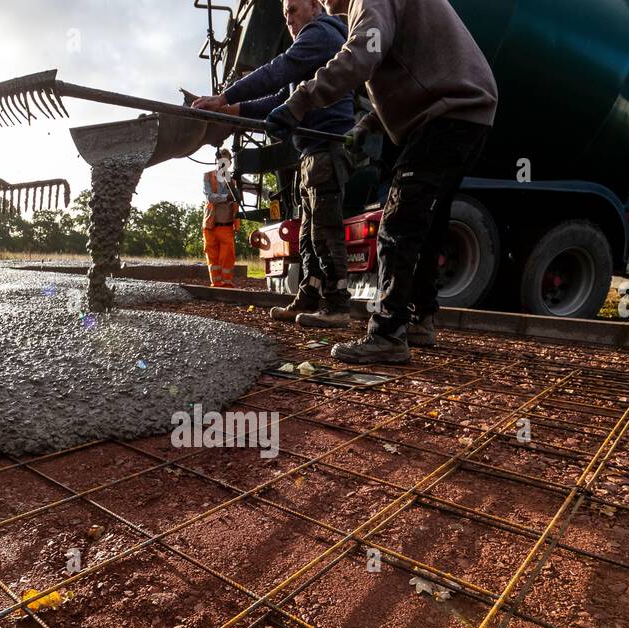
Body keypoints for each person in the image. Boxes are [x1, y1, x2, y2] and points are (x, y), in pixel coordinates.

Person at [267, 0, 498, 364]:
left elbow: (362, 54)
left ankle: (388, 334)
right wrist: (366, 125)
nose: (325, 3)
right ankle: (422, 318)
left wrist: (299, 103)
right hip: (468, 112)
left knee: (398, 223)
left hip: (446, 114)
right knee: (430, 222)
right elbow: (410, 72)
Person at [194, 0, 356, 328]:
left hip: (326, 146)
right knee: (309, 235)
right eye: (285, 15)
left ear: (314, 6)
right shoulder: (311, 48)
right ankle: (309, 297)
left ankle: (338, 304)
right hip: (311, 151)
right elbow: (278, 97)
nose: (290, 20)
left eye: (294, 10)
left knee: (326, 230)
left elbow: (276, 70)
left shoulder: (320, 34)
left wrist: (224, 96)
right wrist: (231, 110)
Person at [202, 148, 239, 288]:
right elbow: (210, 197)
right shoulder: (208, 176)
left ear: (230, 163)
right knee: (213, 258)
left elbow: (251, 188)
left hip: (227, 226)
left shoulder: (233, 181)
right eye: (221, 160)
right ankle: (216, 284)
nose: (223, 164)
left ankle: (227, 284)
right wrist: (227, 197)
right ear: (216, 161)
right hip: (211, 226)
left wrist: (267, 193)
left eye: (226, 161)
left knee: (227, 258)